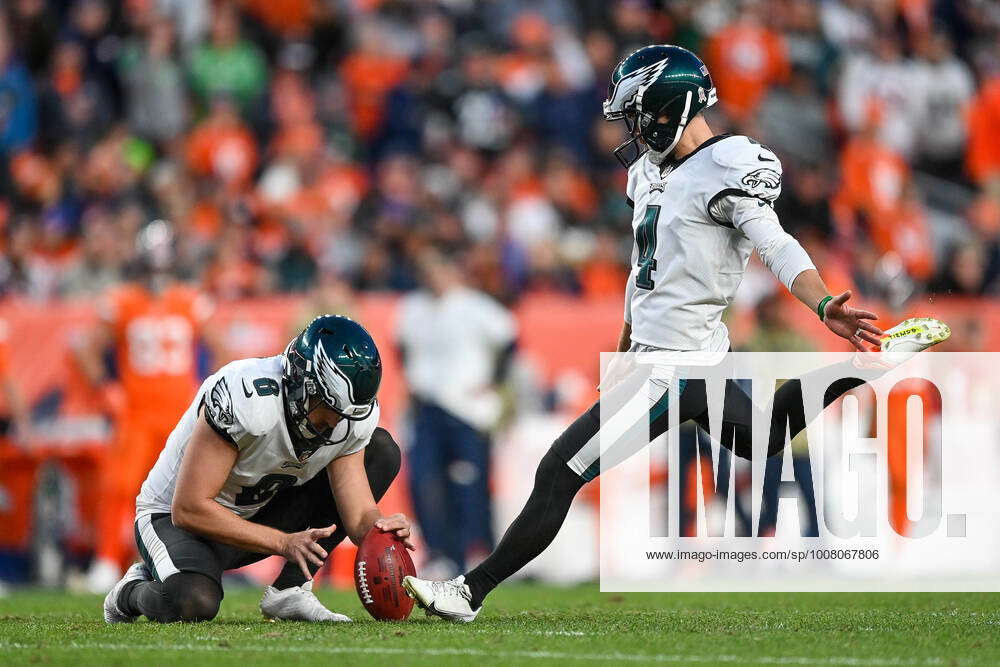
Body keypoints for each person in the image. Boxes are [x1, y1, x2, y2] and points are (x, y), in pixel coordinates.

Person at [402, 45, 950, 622]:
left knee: (559, 471)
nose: (633, 130)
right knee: (764, 436)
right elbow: (644, 269)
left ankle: (468, 592)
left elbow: (775, 242)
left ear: (672, 108)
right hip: (690, 358)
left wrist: (819, 302)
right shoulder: (648, 170)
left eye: (639, 116)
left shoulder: (729, 165)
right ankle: (869, 366)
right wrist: (624, 341)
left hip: (673, 366)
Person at [103, 314, 412, 623]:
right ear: (300, 383)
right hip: (176, 520)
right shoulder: (246, 397)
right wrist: (282, 542)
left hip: (257, 510)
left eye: (343, 415)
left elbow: (357, 514)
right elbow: (189, 509)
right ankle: (129, 592)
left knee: (381, 450)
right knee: (194, 602)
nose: (334, 423)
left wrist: (380, 531)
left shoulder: (347, 417)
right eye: (327, 408)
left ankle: (291, 588)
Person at [79, 220, 222, 593]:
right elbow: (88, 350)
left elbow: (222, 348)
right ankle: (107, 559)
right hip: (137, 413)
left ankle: (188, 562)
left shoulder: (190, 300)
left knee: (186, 491)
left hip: (179, 414)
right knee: (120, 487)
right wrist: (107, 388)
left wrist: (207, 389)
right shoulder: (123, 300)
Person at [397, 250, 517, 576]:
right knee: (424, 481)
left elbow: (508, 338)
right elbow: (402, 347)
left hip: (467, 410)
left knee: (468, 485)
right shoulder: (413, 308)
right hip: (427, 406)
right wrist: (413, 380)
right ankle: (440, 554)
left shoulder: (474, 306)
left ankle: (475, 551)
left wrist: (494, 381)